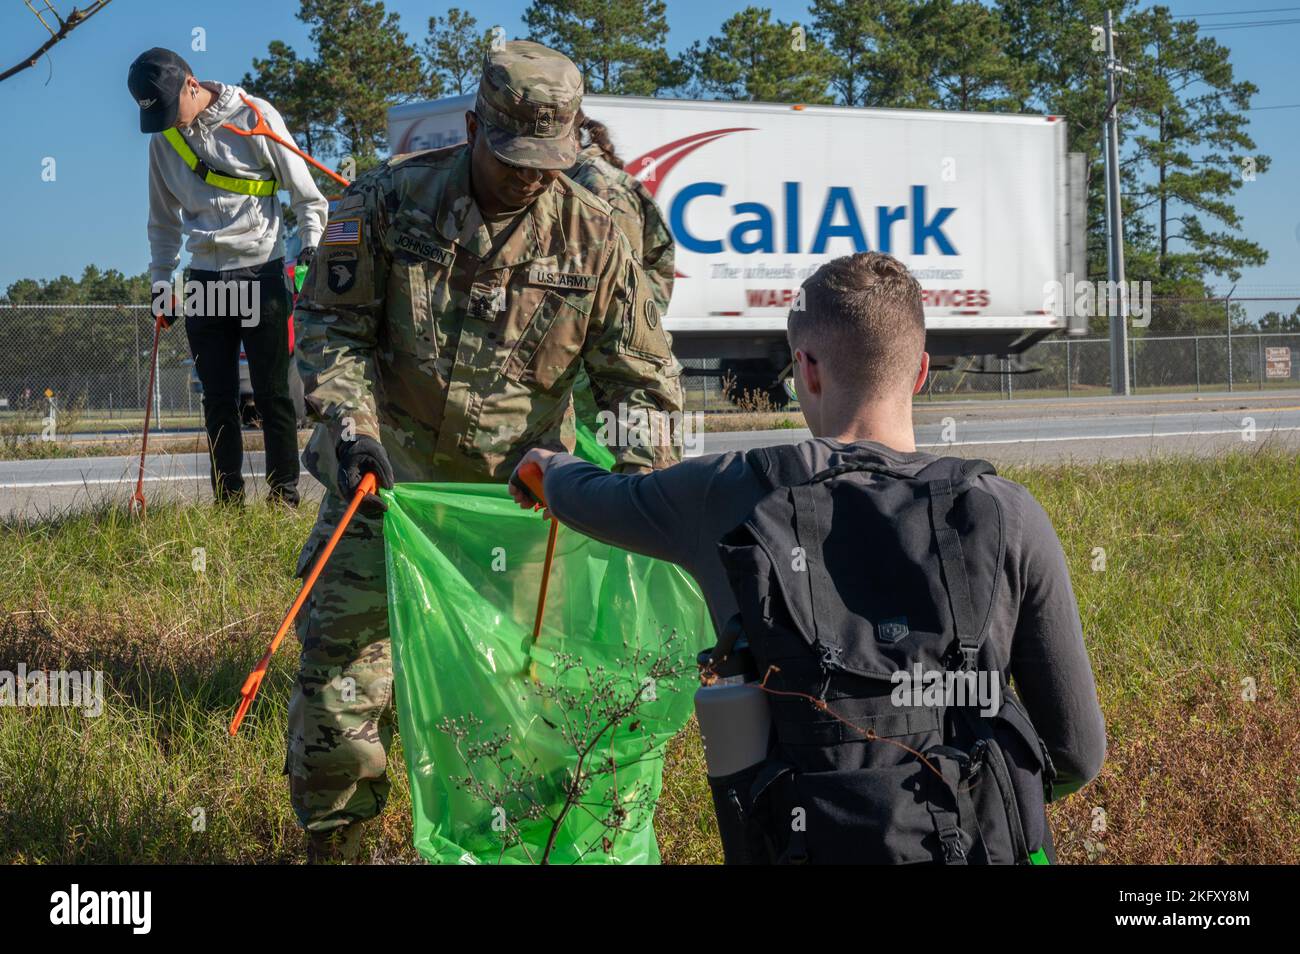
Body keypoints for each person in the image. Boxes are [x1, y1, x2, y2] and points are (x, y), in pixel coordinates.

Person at [511, 251, 1107, 863]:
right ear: (922, 371)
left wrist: (548, 470)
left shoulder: (725, 494)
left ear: (806, 369)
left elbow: (601, 498)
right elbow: (1076, 753)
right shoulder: (1006, 512)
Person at [289, 40, 683, 862]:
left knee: (513, 697)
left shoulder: (597, 234)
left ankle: (491, 848)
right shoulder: (389, 202)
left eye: (550, 160)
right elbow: (333, 330)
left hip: (522, 511)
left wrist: (646, 488)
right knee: (342, 688)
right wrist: (349, 432)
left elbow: (640, 380)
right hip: (387, 491)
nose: (529, 177)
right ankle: (340, 850)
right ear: (472, 126)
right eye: (511, 158)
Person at [130, 47, 327, 506]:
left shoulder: (255, 117)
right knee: (217, 399)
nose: (166, 123)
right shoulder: (164, 140)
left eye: (167, 109)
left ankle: (284, 499)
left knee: (273, 393)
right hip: (202, 281)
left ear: (191, 86)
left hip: (260, 273)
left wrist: (312, 249)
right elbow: (163, 222)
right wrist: (162, 282)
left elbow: (307, 196)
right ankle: (229, 502)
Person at [565, 111, 676, 433]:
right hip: (591, 369)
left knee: (616, 475)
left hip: (611, 374)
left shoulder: (599, 188)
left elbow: (622, 293)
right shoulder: (573, 179)